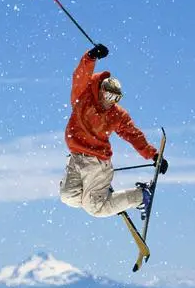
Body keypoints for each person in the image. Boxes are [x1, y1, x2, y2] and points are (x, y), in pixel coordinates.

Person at [59, 43, 168, 217]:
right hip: (76, 158)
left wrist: (153, 155)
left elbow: (133, 134)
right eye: (109, 96)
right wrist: (91, 56)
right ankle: (105, 199)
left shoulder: (116, 114)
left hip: (97, 162)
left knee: (95, 208)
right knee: (68, 196)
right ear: (101, 89)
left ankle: (140, 196)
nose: (111, 101)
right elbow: (80, 76)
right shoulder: (83, 96)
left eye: (116, 98)